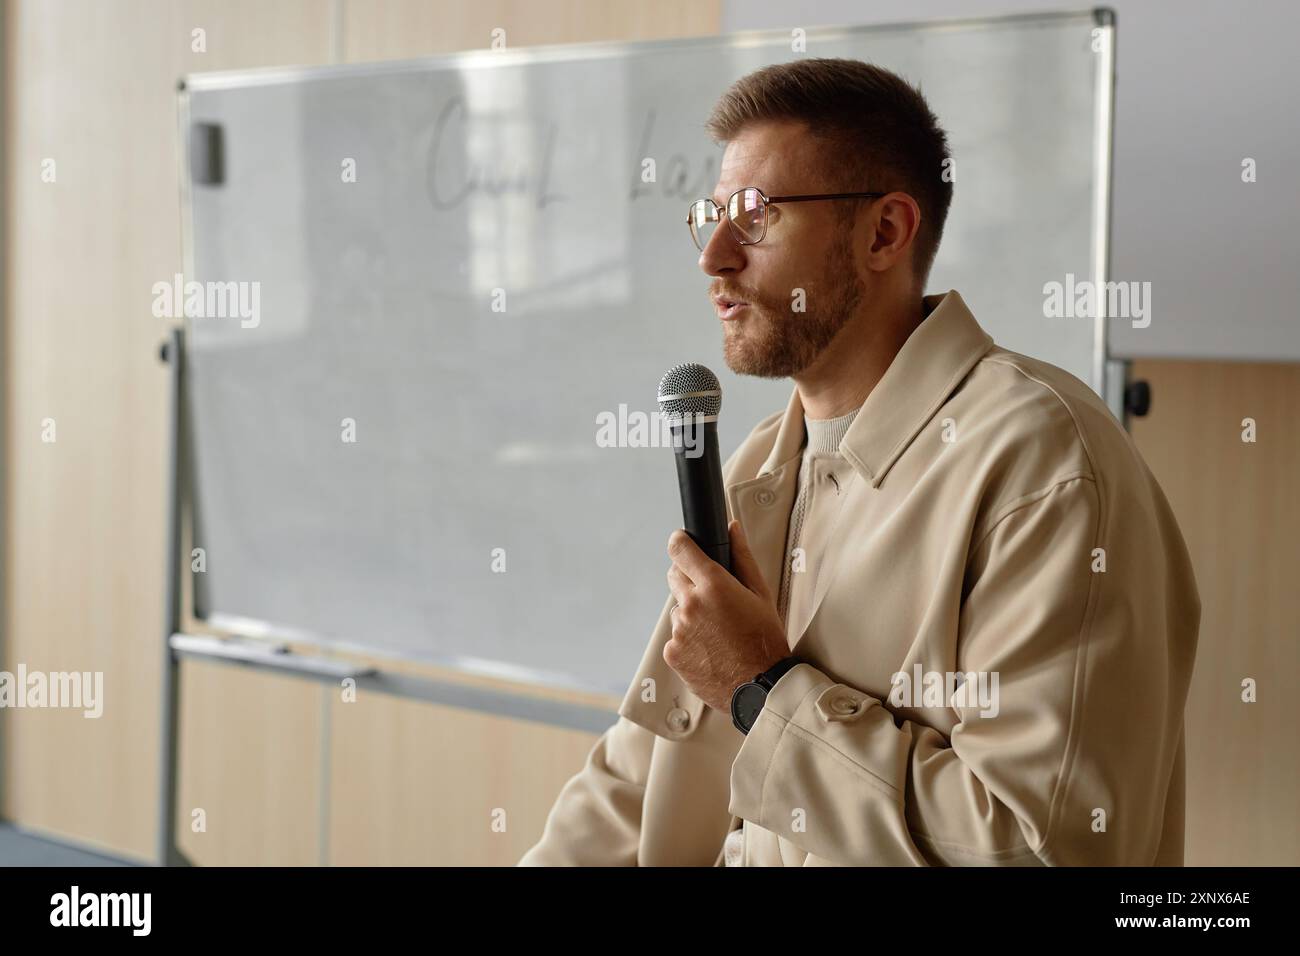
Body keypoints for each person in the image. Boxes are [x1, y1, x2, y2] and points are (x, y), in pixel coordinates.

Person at [519, 57, 1199, 866]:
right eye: (712, 216)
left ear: (883, 232)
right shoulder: (755, 469)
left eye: (756, 215)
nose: (715, 258)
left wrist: (763, 691)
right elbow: (641, 774)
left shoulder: (1045, 468)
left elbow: (1037, 848)